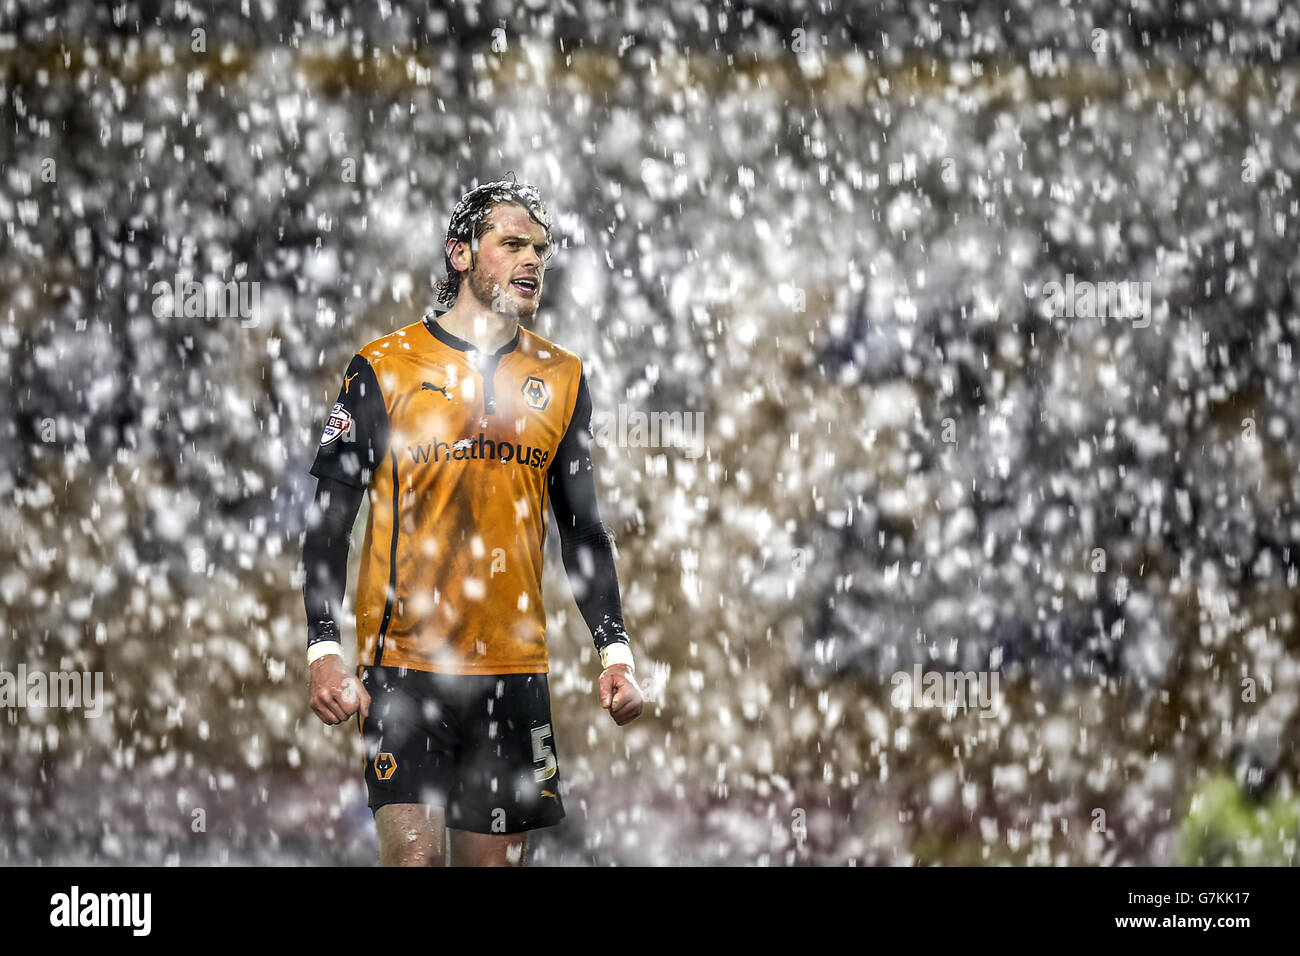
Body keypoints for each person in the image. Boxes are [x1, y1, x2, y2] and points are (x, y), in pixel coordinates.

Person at [302, 179, 643, 866]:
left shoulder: (563, 376)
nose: (533, 261)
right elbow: (328, 520)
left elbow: (582, 530)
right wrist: (323, 650)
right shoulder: (383, 366)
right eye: (512, 243)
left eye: (541, 249)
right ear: (461, 254)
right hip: (404, 670)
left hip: (512, 674)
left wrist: (615, 651)